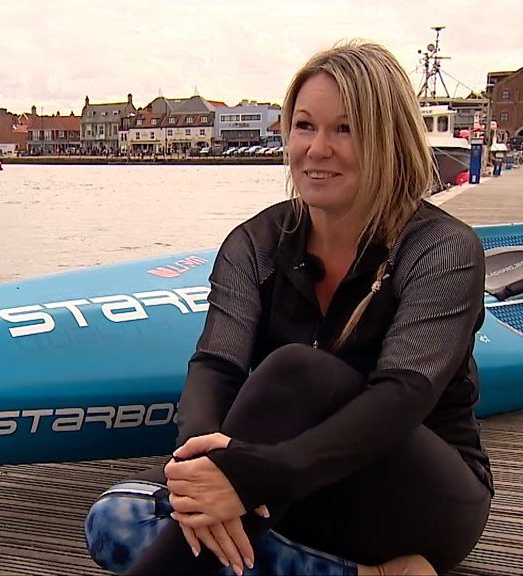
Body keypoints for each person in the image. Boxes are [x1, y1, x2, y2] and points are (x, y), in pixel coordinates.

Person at [84, 40, 494, 575]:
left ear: (389, 138)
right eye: (304, 126)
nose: (317, 149)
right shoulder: (256, 244)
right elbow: (216, 366)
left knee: (297, 370)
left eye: (345, 129)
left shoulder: (441, 249)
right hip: (291, 494)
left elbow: (402, 397)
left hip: (412, 495)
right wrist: (198, 469)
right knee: (115, 519)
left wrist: (254, 475)